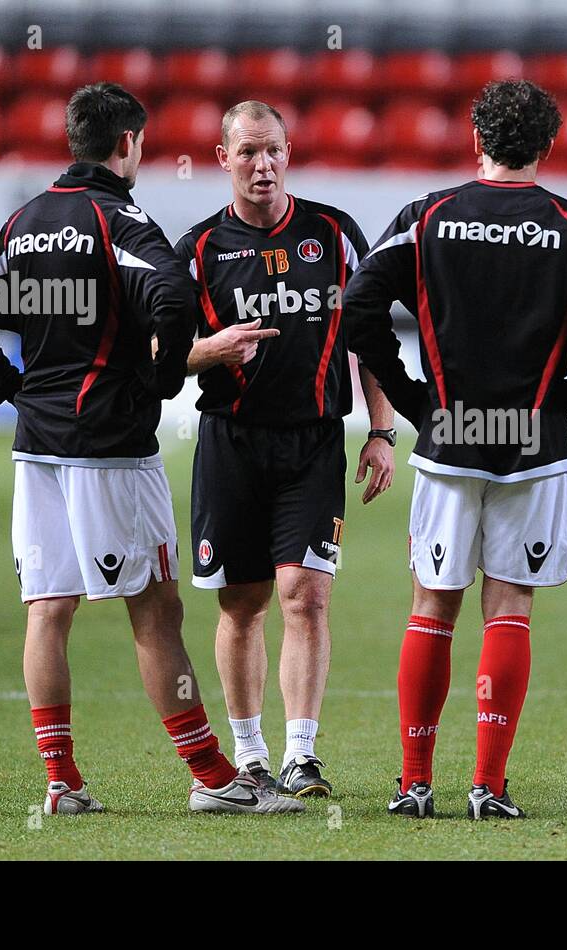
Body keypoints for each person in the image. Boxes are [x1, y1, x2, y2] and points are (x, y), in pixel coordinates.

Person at [0, 82, 301, 816]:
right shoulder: (121, 219)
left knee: (48, 610)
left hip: (38, 447)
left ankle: (63, 783)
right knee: (156, 611)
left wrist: (14, 392)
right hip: (109, 446)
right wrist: (159, 380)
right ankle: (214, 779)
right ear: (129, 144)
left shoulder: (26, 221)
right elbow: (170, 300)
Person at [341, 79, 567, 819]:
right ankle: (488, 786)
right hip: (535, 443)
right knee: (508, 605)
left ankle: (415, 784)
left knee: (431, 606)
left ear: (476, 140)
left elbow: (356, 304)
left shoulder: (428, 217)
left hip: (450, 441)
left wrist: (416, 400)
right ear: (547, 147)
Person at [173, 100, 394, 798]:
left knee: (306, 595)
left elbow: (371, 339)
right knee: (242, 603)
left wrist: (383, 430)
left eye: (272, 151)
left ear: (288, 152)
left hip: (314, 442)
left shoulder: (334, 234)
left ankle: (302, 756)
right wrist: (212, 348)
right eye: (247, 153)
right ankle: (249, 757)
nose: (261, 165)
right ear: (223, 159)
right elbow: (159, 354)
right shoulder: (199, 249)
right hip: (230, 443)